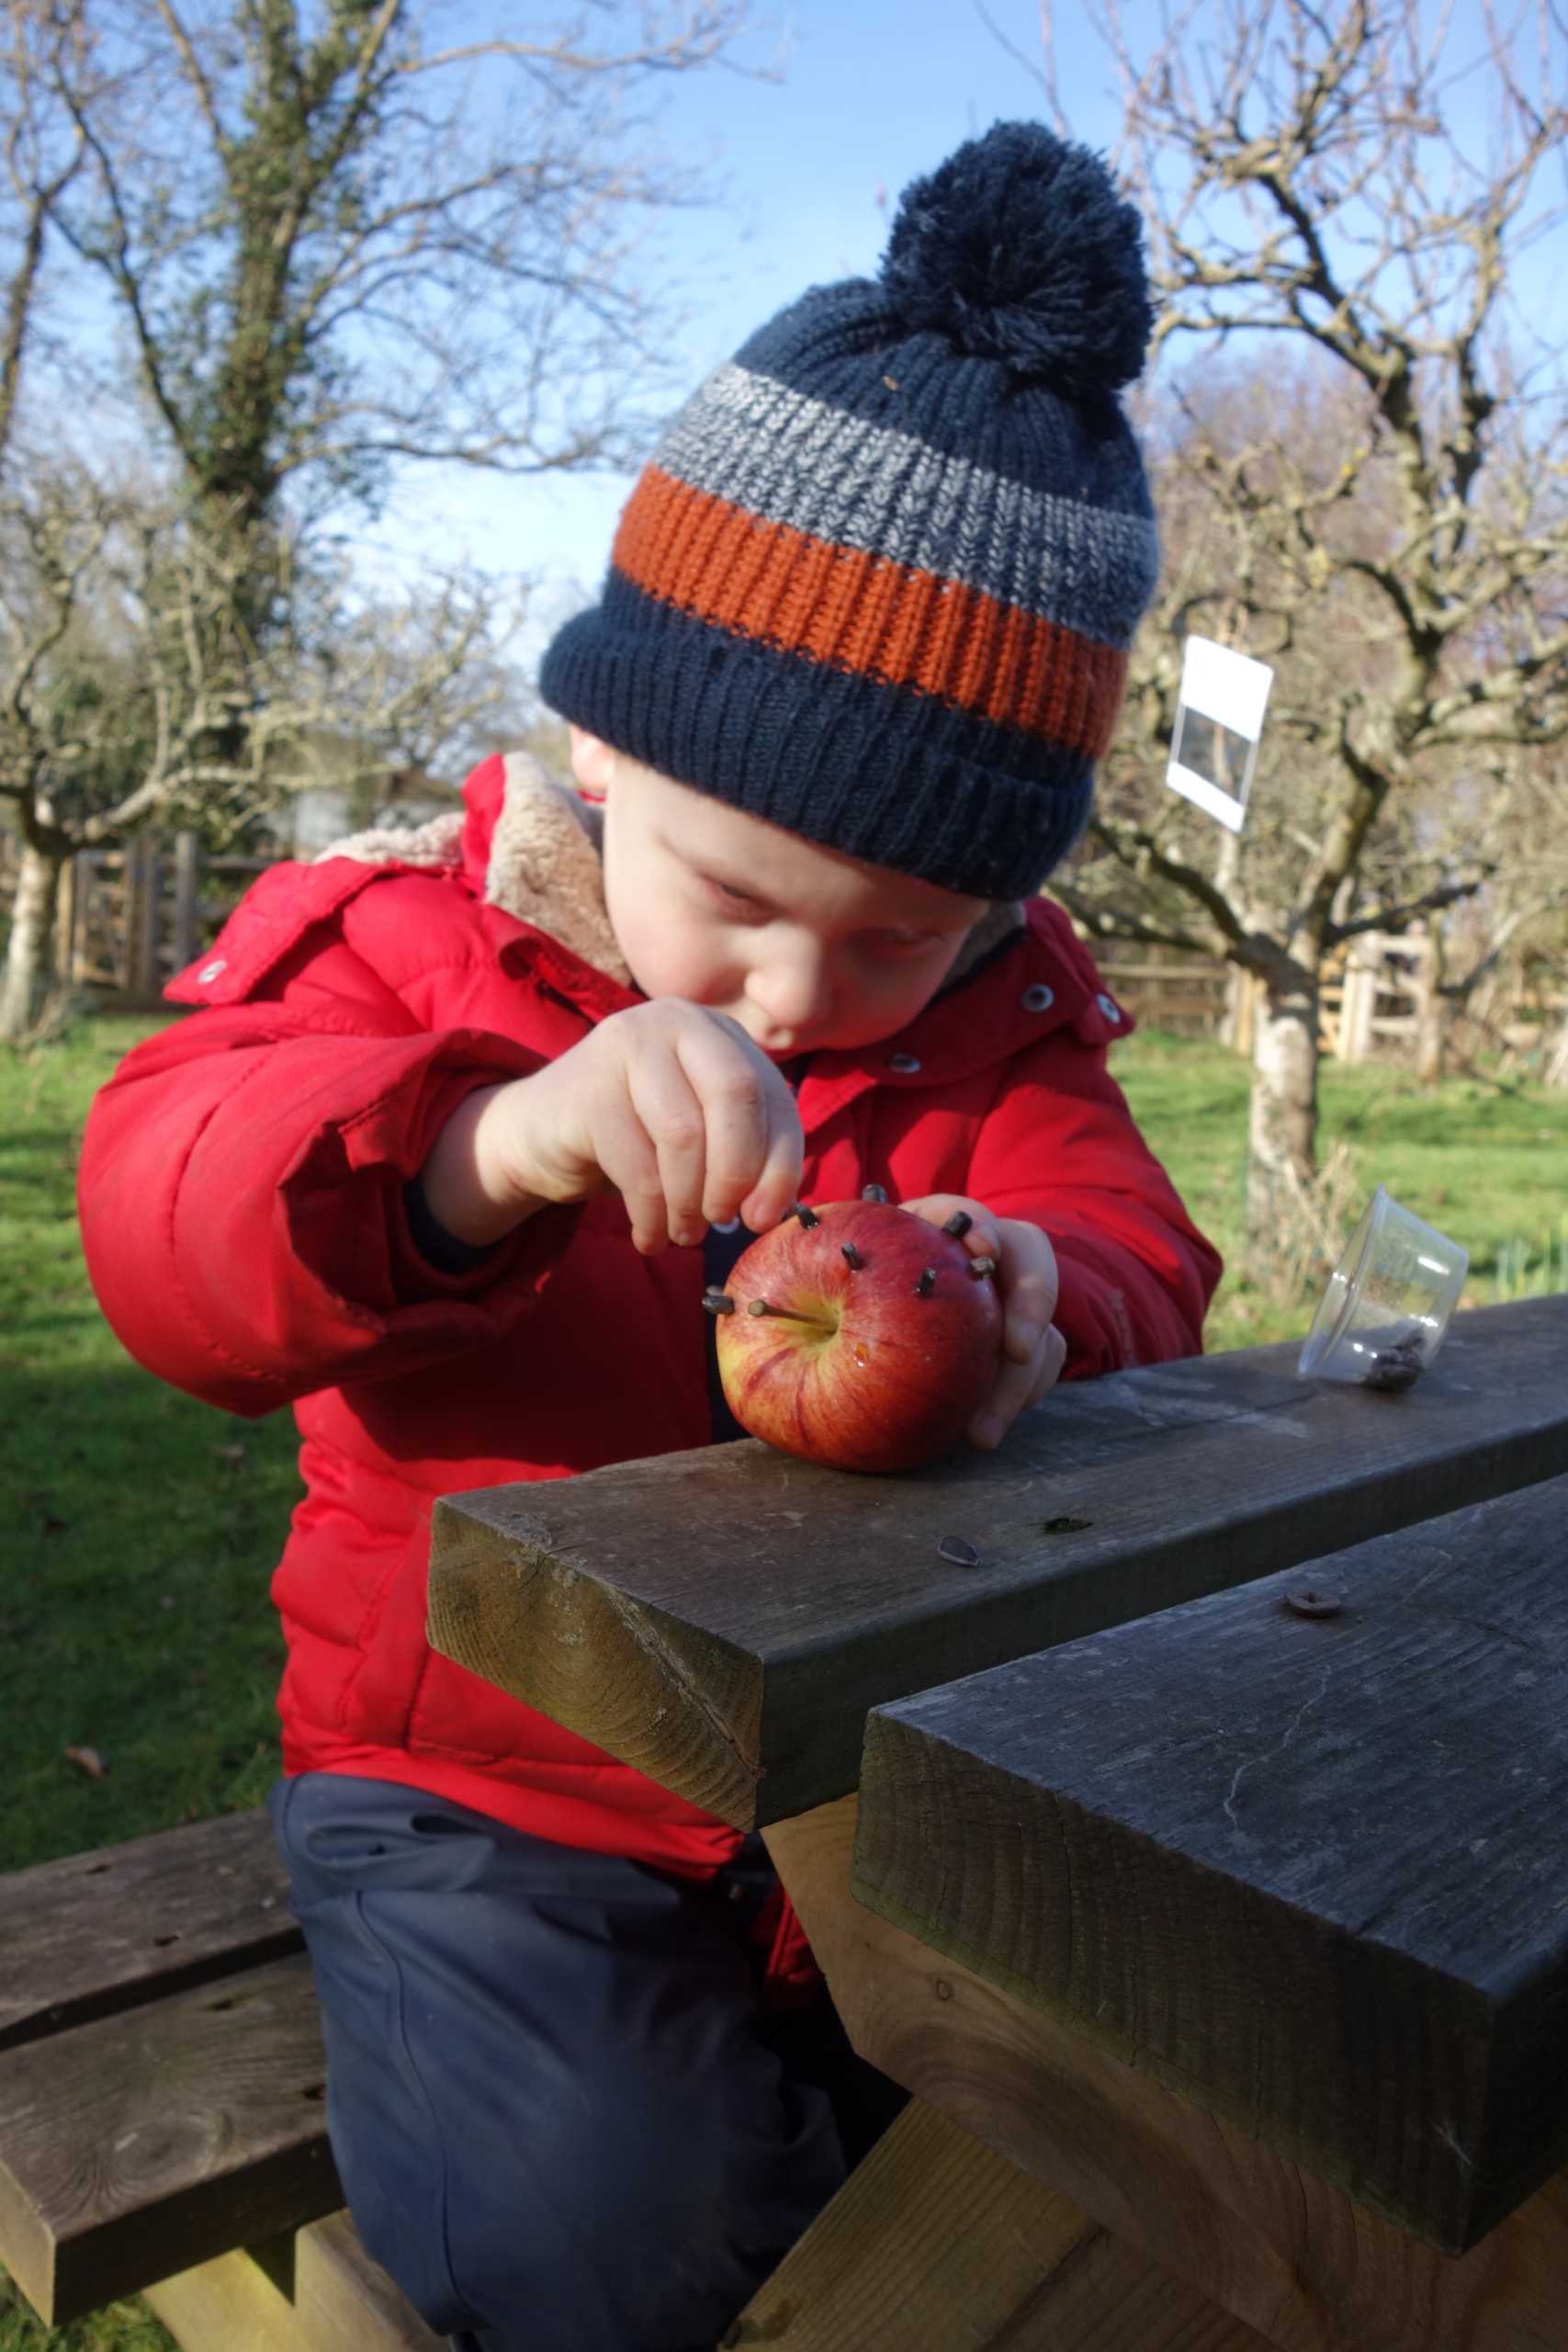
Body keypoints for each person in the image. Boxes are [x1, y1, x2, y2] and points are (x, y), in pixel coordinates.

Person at [80, 121, 1220, 2352]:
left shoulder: (998, 1033)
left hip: (875, 1785)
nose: (795, 1001)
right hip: (479, 1788)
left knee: (1144, 2157)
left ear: (990, 907)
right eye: (739, 900)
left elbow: (1137, 1249)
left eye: (891, 934)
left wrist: (1026, 1287)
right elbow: (163, 1220)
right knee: (627, 2235)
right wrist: (474, 1151)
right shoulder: (412, 948)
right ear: (601, 744)